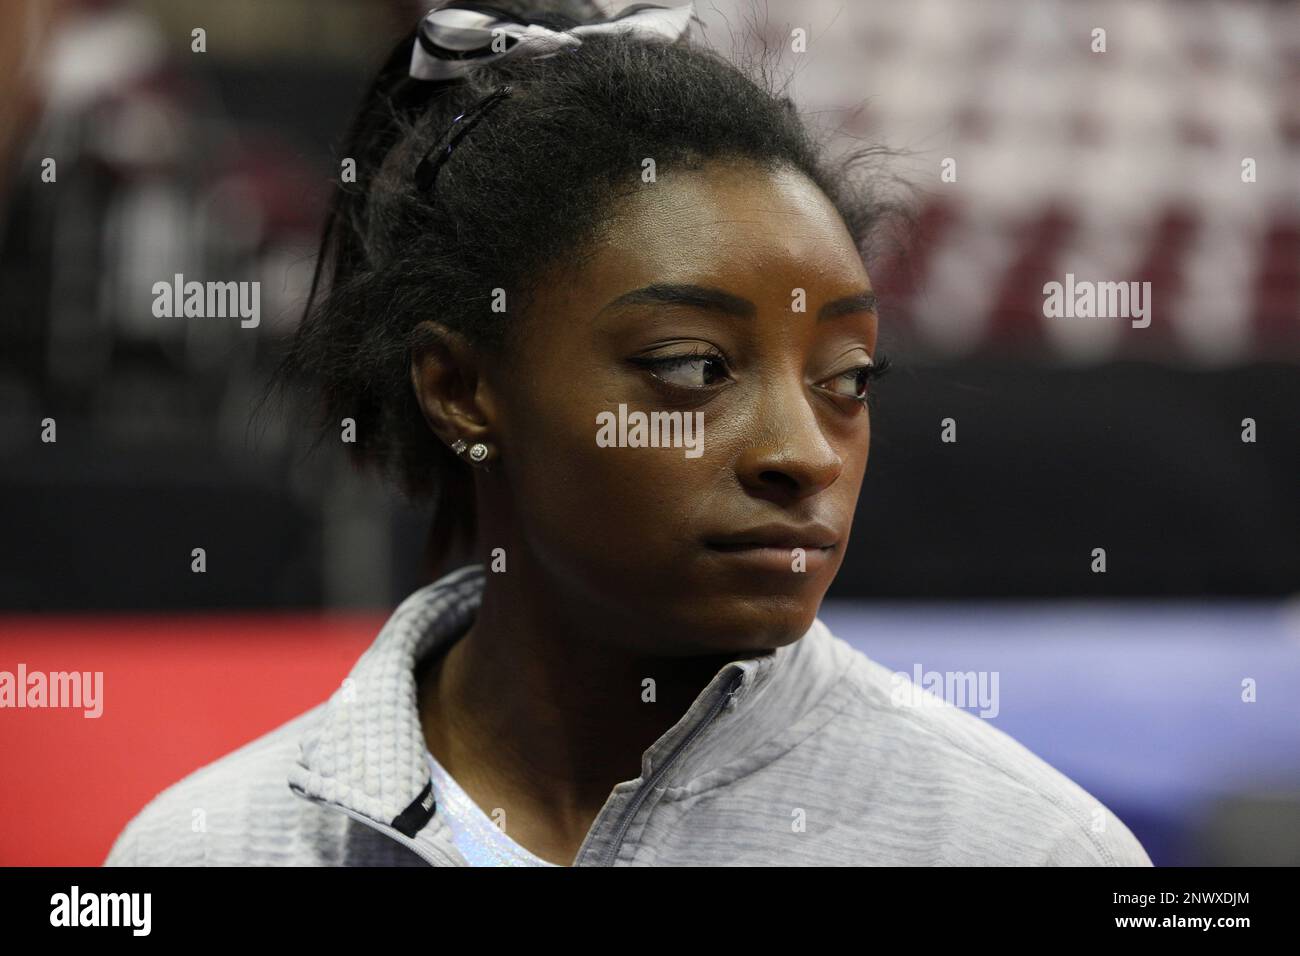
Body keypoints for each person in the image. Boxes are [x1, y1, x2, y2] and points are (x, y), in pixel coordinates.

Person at [104, 0, 1152, 867]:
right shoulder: (209, 850)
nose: (805, 452)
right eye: (693, 367)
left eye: (847, 378)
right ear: (461, 387)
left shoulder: (1030, 846)